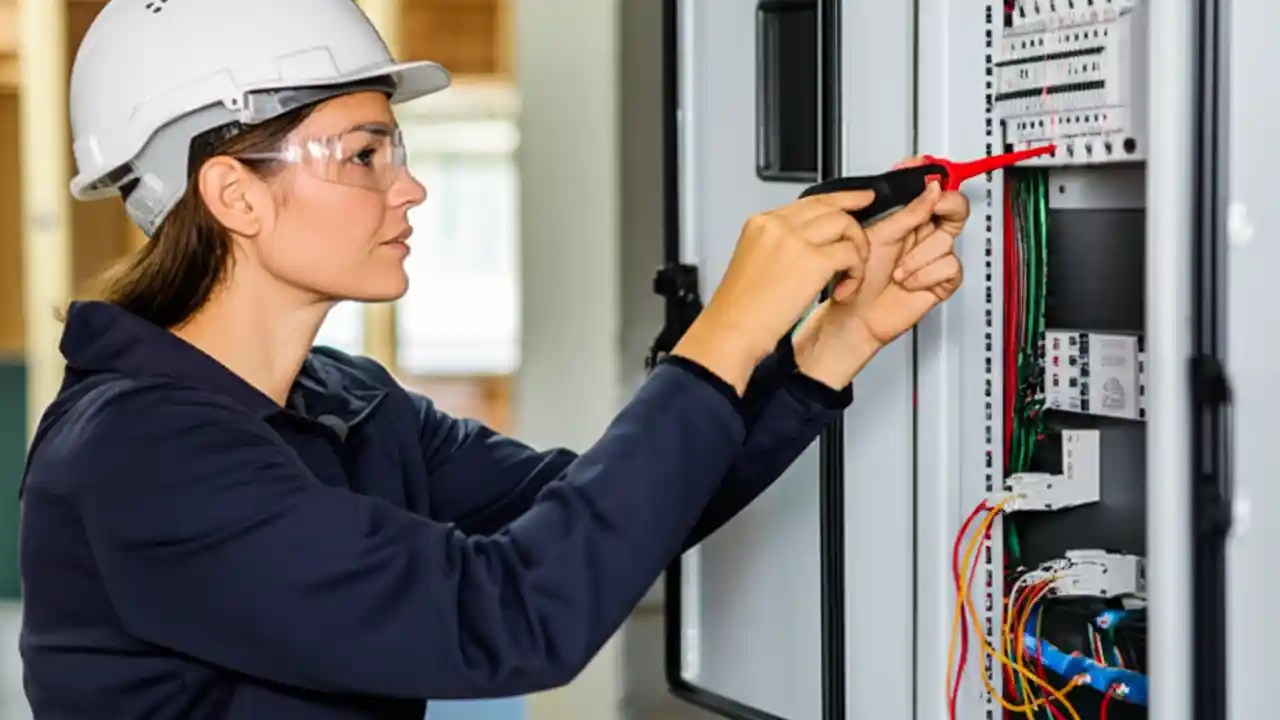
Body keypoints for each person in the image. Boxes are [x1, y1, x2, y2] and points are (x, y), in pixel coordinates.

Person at [16, 1, 968, 718]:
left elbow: (607, 514)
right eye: (364, 154)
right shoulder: (142, 454)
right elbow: (511, 621)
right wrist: (722, 331)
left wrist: (828, 345)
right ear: (234, 193)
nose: (411, 187)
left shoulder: (344, 400)